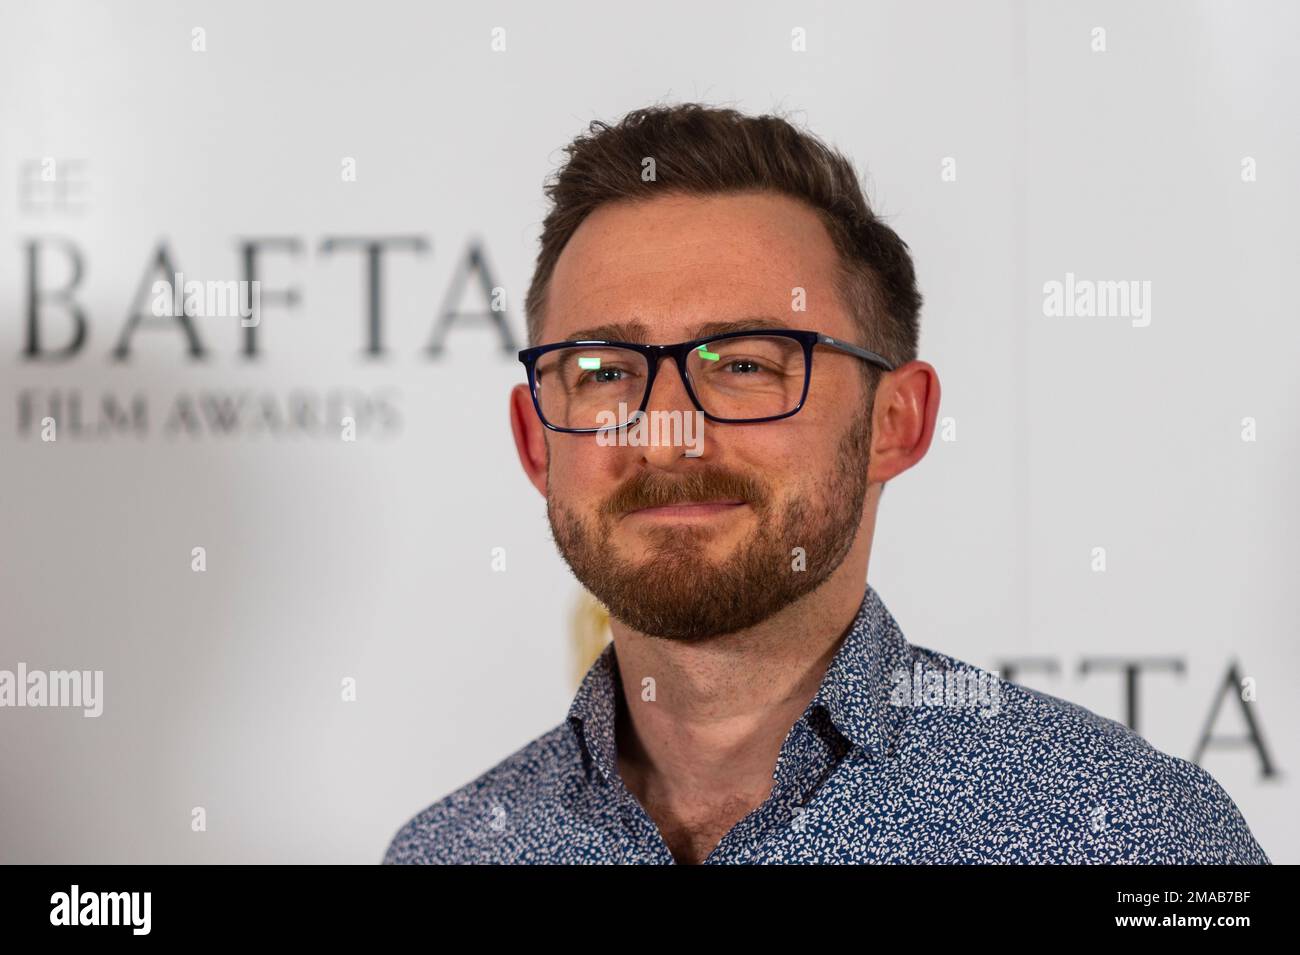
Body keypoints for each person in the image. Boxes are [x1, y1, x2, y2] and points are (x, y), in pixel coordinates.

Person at [385, 103, 1268, 864]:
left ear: (898, 422)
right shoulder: (453, 848)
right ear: (536, 441)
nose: (667, 432)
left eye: (744, 363)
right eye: (605, 371)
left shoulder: (1129, 837)